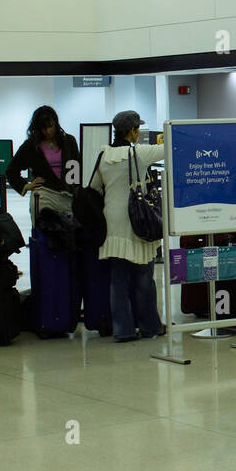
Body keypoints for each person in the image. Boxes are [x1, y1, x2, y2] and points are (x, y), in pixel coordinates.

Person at [89, 111, 166, 342]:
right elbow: (169, 148)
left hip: (111, 222)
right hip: (137, 220)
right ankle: (150, 327)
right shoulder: (138, 153)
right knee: (144, 277)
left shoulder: (104, 155)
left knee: (118, 280)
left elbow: (94, 186)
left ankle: (122, 330)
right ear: (132, 131)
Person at [7, 106, 82, 225]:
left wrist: (76, 191)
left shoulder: (69, 141)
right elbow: (11, 170)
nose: (48, 131)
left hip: (67, 196)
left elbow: (76, 168)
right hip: (43, 195)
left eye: (50, 126)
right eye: (43, 128)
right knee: (45, 237)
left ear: (56, 123)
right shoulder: (32, 145)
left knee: (69, 237)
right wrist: (26, 185)